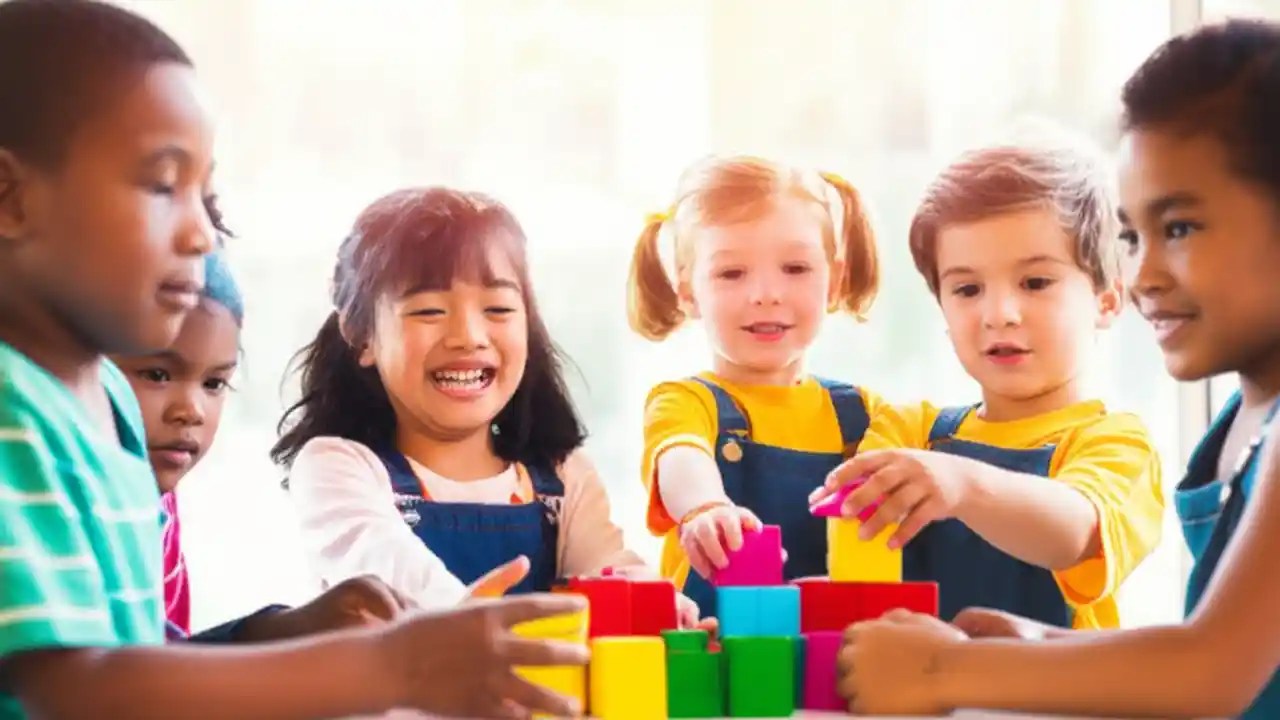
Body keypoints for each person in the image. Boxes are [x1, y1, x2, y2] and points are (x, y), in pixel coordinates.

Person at [0, 2, 586, 717]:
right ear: (11, 198)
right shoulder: (13, 415)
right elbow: (77, 689)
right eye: (162, 185)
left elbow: (138, 656)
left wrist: (277, 632)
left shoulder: (107, 405)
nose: (200, 234)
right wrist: (384, 667)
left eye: (206, 195)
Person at [835, 19, 1280, 719]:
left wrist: (946, 667)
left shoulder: (1134, 440)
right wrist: (1035, 645)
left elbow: (1211, 669)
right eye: (1134, 237)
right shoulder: (1245, 424)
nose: (1145, 274)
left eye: (1182, 228)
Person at [812, 139, 1163, 630]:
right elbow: (852, 556)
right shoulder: (910, 431)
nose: (999, 315)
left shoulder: (1114, 443)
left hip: (1049, 704)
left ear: (1106, 302)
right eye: (967, 289)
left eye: (1036, 282)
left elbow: (1073, 531)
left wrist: (962, 486)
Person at [628, 154, 882, 615]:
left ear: (834, 281)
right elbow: (681, 460)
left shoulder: (865, 415)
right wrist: (705, 508)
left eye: (795, 269)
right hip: (715, 649)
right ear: (688, 293)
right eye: (731, 273)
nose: (766, 293)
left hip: (836, 654)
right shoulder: (685, 402)